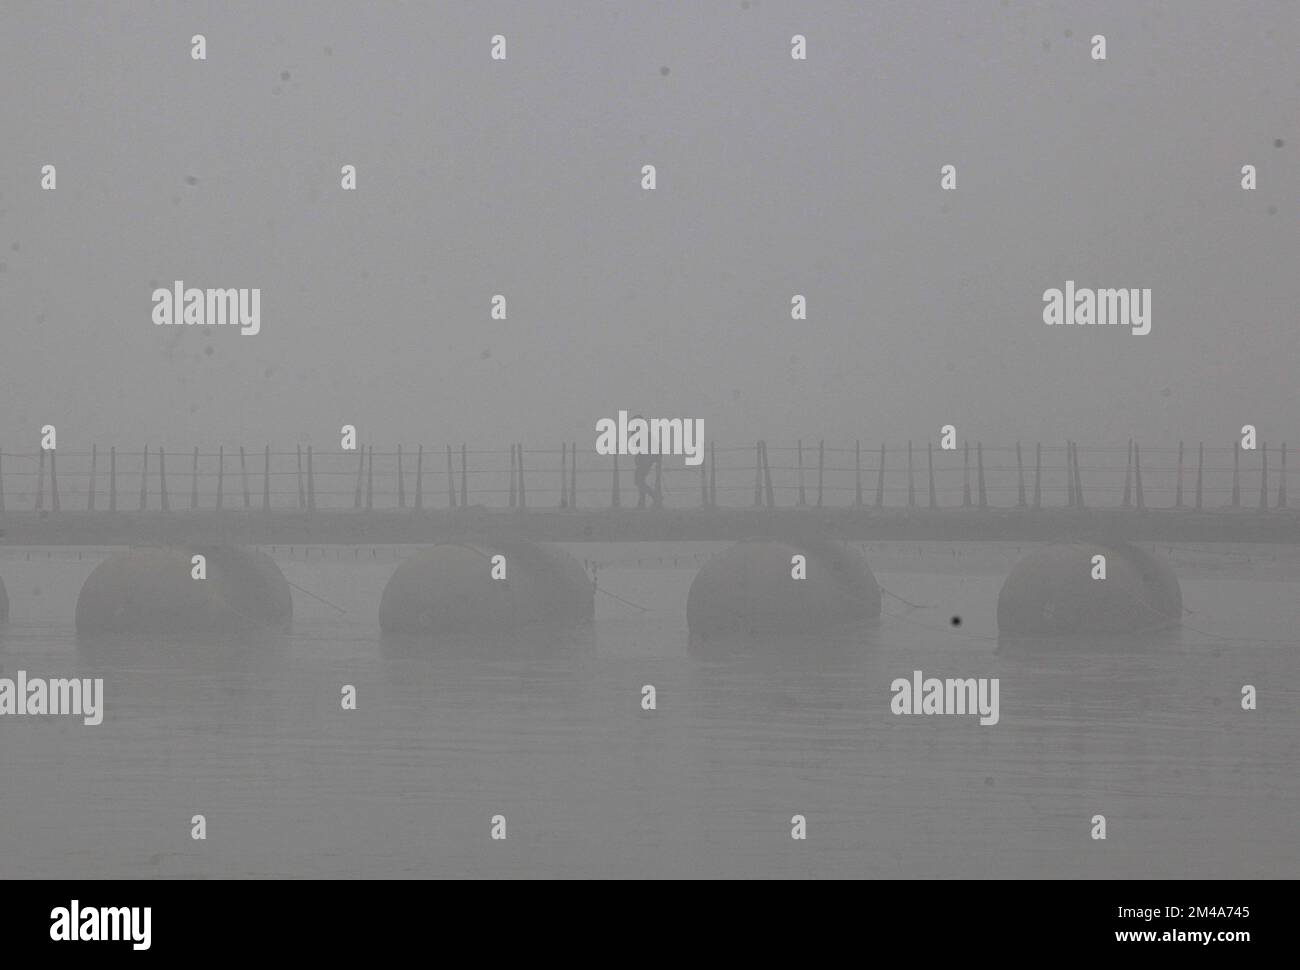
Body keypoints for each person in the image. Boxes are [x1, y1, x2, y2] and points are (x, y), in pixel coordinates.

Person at [630, 415, 662, 509]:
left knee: (638, 481)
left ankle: (654, 497)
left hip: (645, 461)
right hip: (646, 461)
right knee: (640, 481)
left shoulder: (640, 434)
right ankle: (643, 502)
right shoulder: (645, 433)